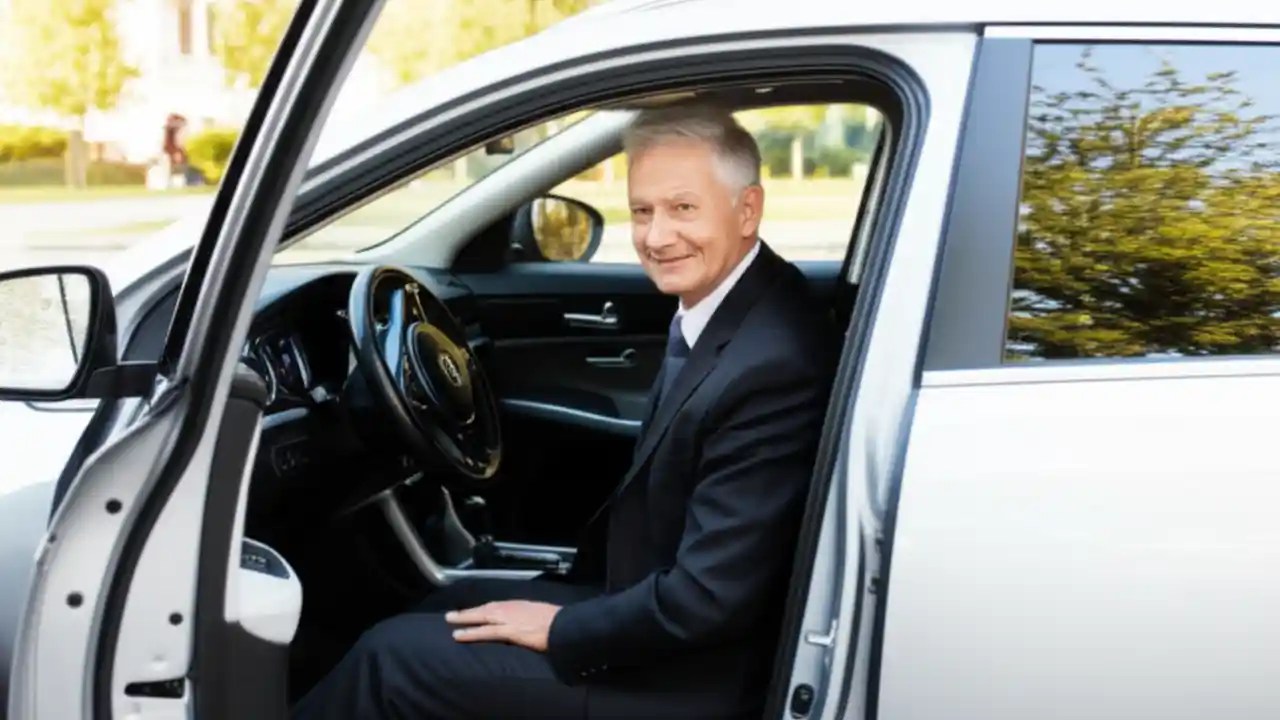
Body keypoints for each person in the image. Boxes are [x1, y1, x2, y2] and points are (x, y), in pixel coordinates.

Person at [290, 103, 838, 719]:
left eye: (684, 208)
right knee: (439, 608)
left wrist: (559, 628)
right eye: (642, 211)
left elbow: (708, 600)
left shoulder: (772, 365)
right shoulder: (738, 301)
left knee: (389, 661)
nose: (657, 237)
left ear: (747, 210)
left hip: (696, 680)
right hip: (662, 616)